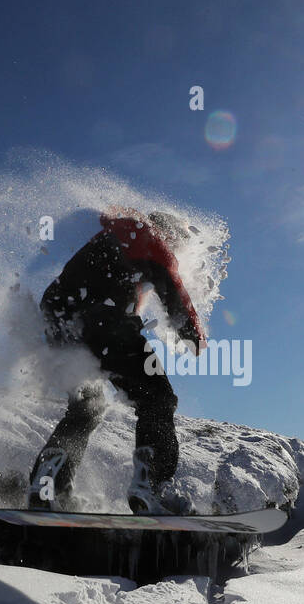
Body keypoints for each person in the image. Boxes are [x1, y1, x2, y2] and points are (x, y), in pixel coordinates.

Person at [28, 207, 206, 514]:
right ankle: (151, 488)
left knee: (87, 407)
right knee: (157, 397)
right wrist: (193, 334)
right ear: (169, 233)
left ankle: (47, 486)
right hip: (102, 322)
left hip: (61, 325)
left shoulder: (113, 238)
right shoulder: (147, 236)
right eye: (176, 244)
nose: (176, 250)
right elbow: (172, 285)